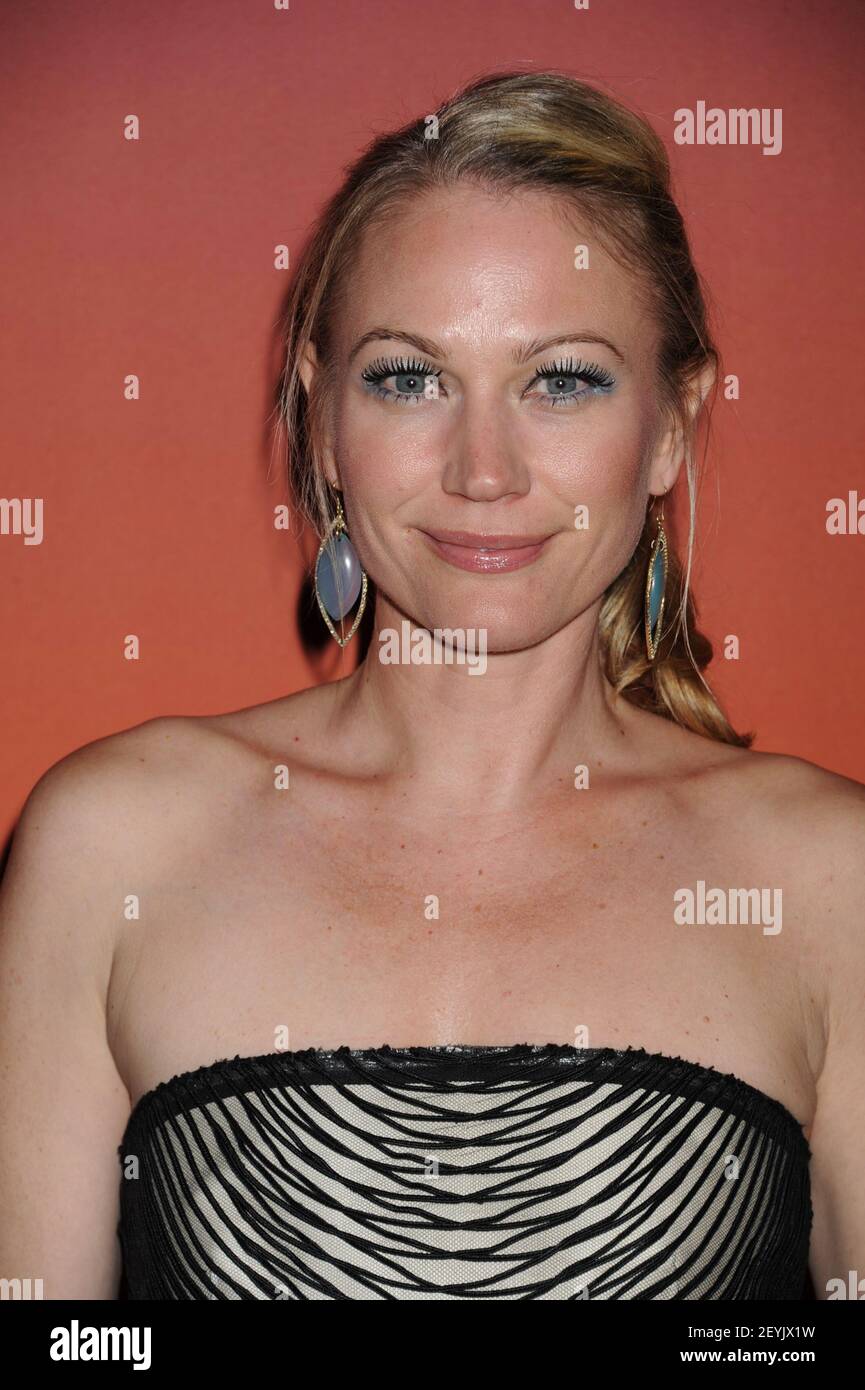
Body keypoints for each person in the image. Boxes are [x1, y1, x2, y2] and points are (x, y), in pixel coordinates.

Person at [1, 69, 862, 1301]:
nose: (482, 469)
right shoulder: (112, 845)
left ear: (672, 425)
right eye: (409, 378)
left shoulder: (829, 882)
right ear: (323, 417)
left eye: (562, 379)